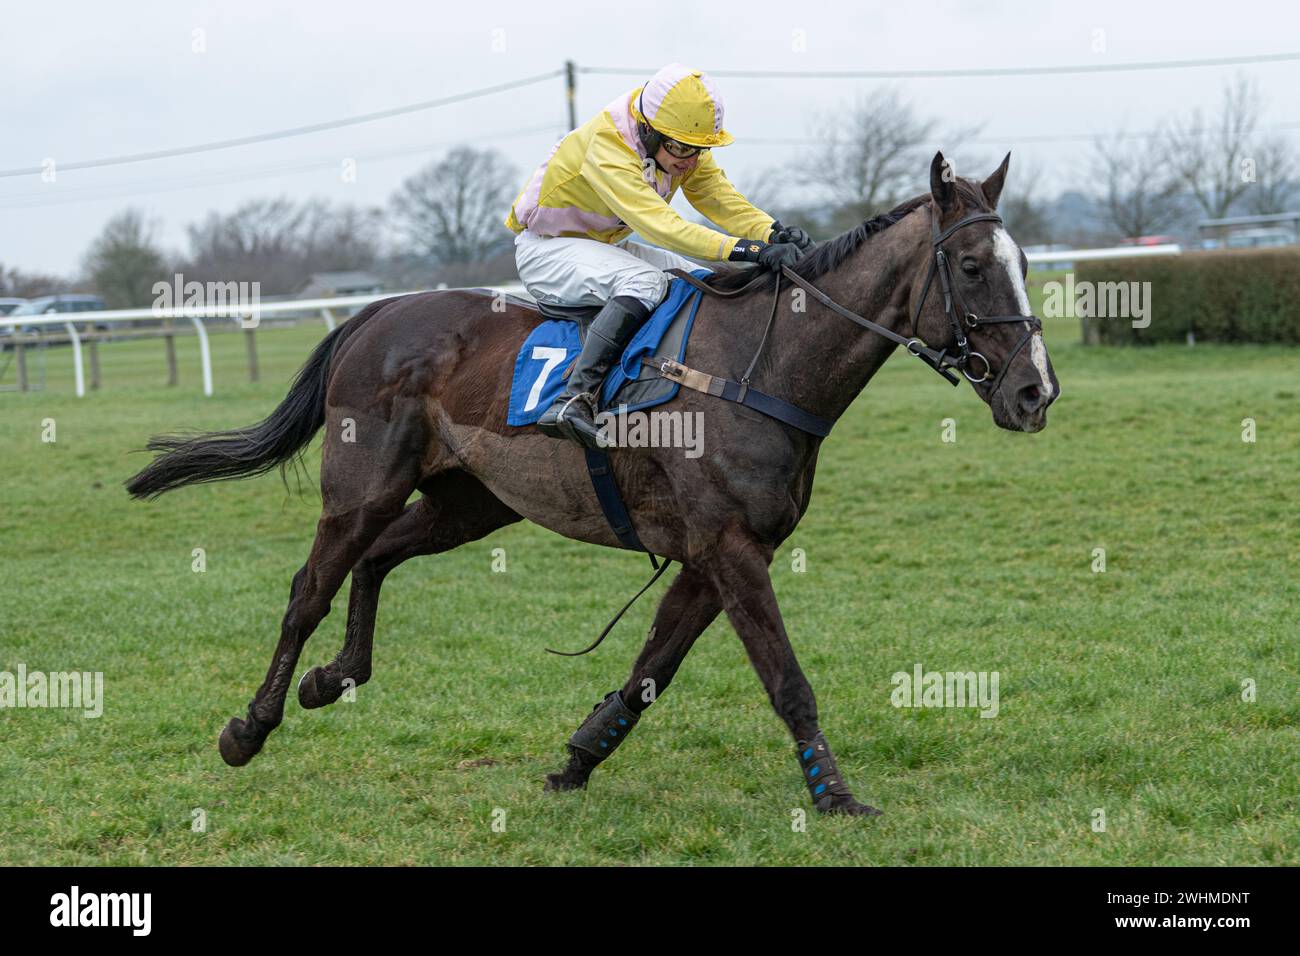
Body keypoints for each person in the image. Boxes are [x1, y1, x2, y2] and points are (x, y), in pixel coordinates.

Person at [505, 62, 814, 448]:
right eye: (681, 148)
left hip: (600, 245)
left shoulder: (679, 140)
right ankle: (573, 398)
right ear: (648, 130)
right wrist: (752, 250)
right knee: (645, 281)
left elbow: (717, 197)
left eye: (699, 150)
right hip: (546, 251)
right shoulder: (608, 144)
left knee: (698, 281)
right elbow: (662, 227)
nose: (689, 160)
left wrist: (772, 231)